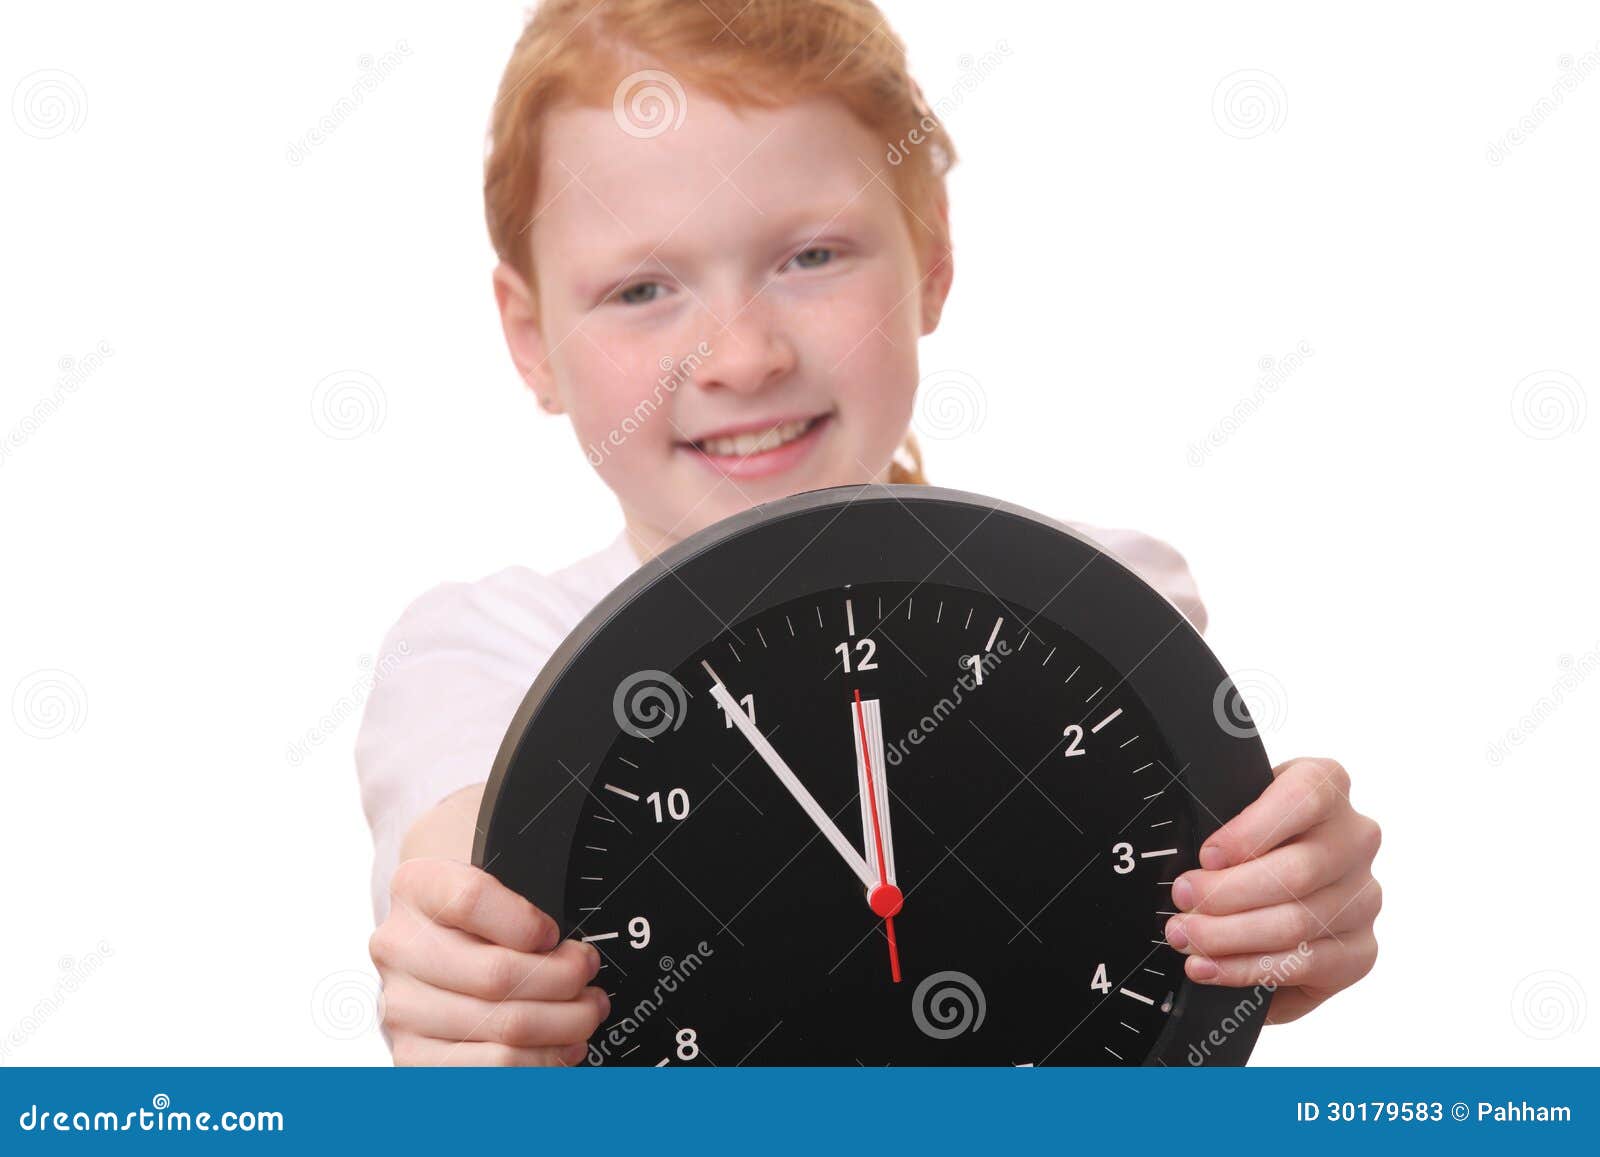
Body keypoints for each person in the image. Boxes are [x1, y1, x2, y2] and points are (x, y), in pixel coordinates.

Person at [358, 0, 1382, 1066]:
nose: (741, 355)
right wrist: (464, 971)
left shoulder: (1094, 590)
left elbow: (1181, 934)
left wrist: (1282, 903)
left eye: (810, 256)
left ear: (930, 257)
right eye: (642, 288)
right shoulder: (481, 652)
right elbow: (467, 851)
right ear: (531, 341)